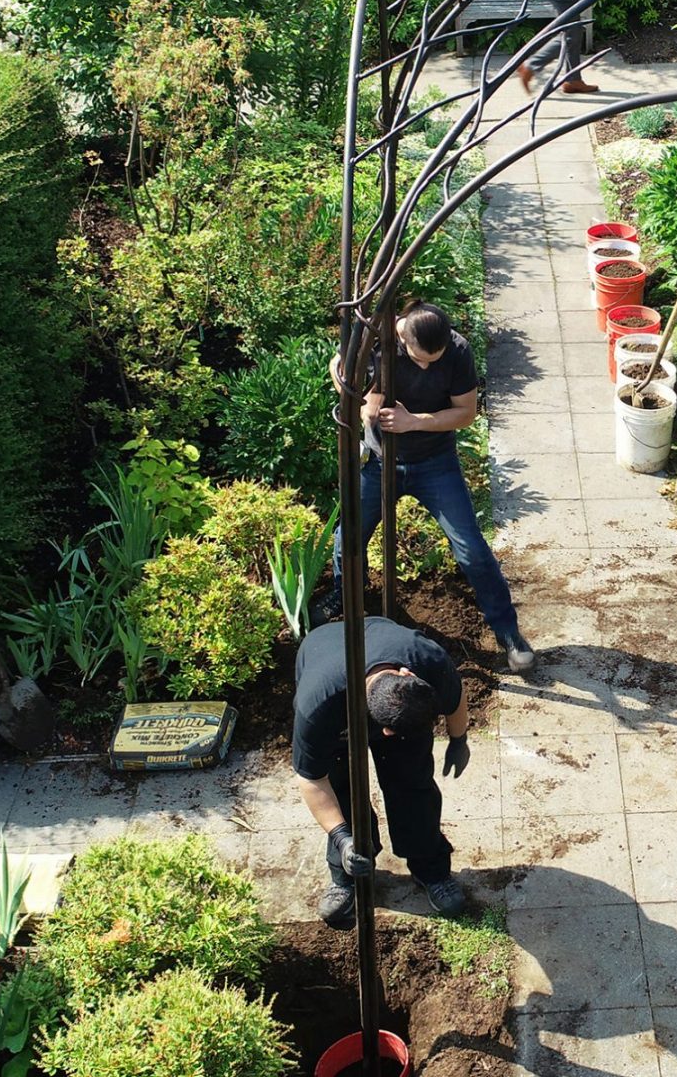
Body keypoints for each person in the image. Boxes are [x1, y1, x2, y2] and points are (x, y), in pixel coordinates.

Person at [318, 299, 536, 674]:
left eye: (433, 360)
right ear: (402, 335)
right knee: (348, 538)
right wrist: (358, 399)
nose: (426, 365)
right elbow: (340, 367)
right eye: (419, 358)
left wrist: (412, 420)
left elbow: (465, 413)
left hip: (435, 463)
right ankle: (344, 596)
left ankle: (508, 633)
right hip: (378, 461)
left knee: (471, 550)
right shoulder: (375, 338)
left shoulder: (457, 350)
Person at [292, 614, 473, 925]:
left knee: (413, 785)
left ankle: (431, 870)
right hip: (326, 656)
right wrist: (342, 838)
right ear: (387, 731)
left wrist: (459, 739)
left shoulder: (426, 659)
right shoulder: (317, 706)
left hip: (380, 643)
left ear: (407, 673)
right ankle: (345, 875)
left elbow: (455, 699)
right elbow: (311, 780)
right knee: (343, 789)